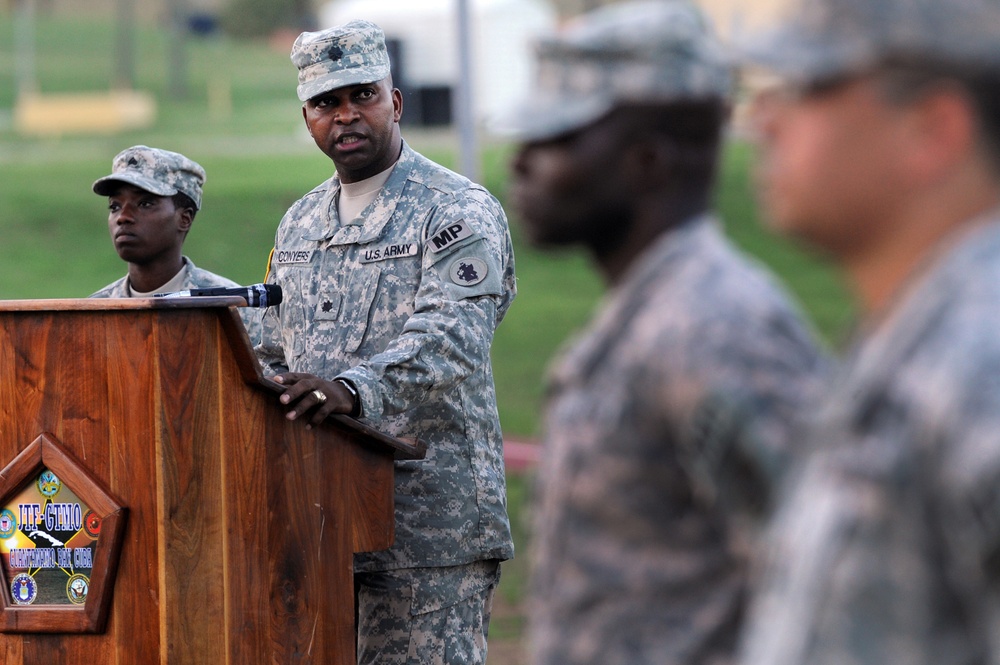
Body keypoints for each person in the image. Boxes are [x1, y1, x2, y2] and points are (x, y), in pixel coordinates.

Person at [501, 2, 828, 664]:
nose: (522, 163)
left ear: (646, 161)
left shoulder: (719, 330)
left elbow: (839, 584)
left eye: (556, 140)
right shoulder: (652, 311)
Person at [734, 0, 1000, 663]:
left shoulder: (982, 363)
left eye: (804, 89)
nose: (762, 122)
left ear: (931, 129)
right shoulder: (920, 334)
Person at [254, 19, 517, 665]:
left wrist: (351, 389)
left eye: (361, 95)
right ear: (308, 117)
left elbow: (452, 337)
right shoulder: (300, 223)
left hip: (428, 529)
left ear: (394, 102)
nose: (345, 115)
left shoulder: (455, 208)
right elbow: (267, 348)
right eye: (325, 103)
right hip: (319, 524)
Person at [90, 145, 261, 340]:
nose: (123, 217)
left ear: (184, 218)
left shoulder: (230, 310)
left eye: (145, 204)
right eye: (115, 206)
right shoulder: (93, 314)